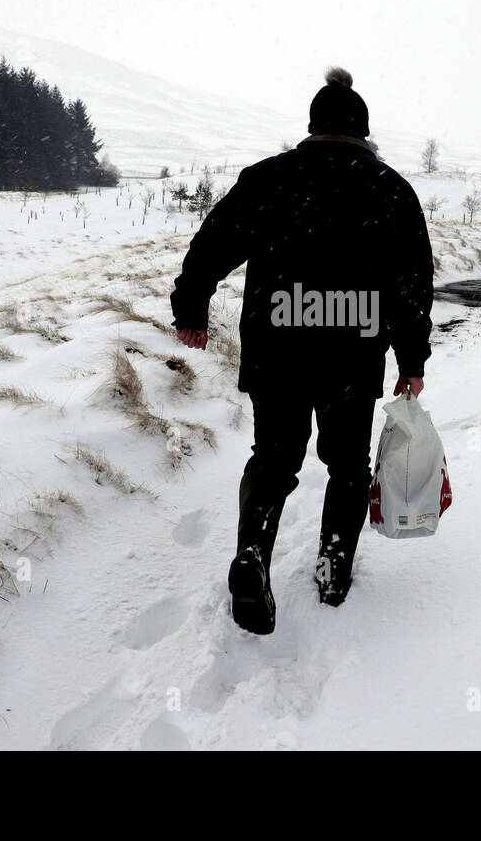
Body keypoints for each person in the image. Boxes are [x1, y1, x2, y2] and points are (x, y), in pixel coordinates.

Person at [171, 67, 434, 634]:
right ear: (363, 131)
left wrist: (190, 309)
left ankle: (252, 557)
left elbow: (212, 243)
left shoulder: (268, 179)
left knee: (273, 459)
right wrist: (412, 361)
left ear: (311, 127)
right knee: (346, 463)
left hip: (278, 349)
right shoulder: (390, 188)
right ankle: (334, 563)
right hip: (352, 354)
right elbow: (412, 282)